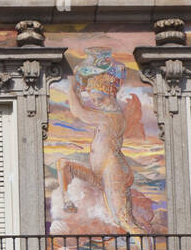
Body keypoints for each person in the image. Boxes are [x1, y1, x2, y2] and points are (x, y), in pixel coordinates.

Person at [56, 52, 150, 234]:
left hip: (112, 171)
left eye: (94, 95)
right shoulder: (106, 114)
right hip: (100, 173)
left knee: (123, 220)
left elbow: (78, 112)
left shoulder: (111, 116)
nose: (92, 100)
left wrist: (72, 86)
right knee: (63, 165)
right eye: (90, 96)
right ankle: (67, 201)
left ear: (107, 91)